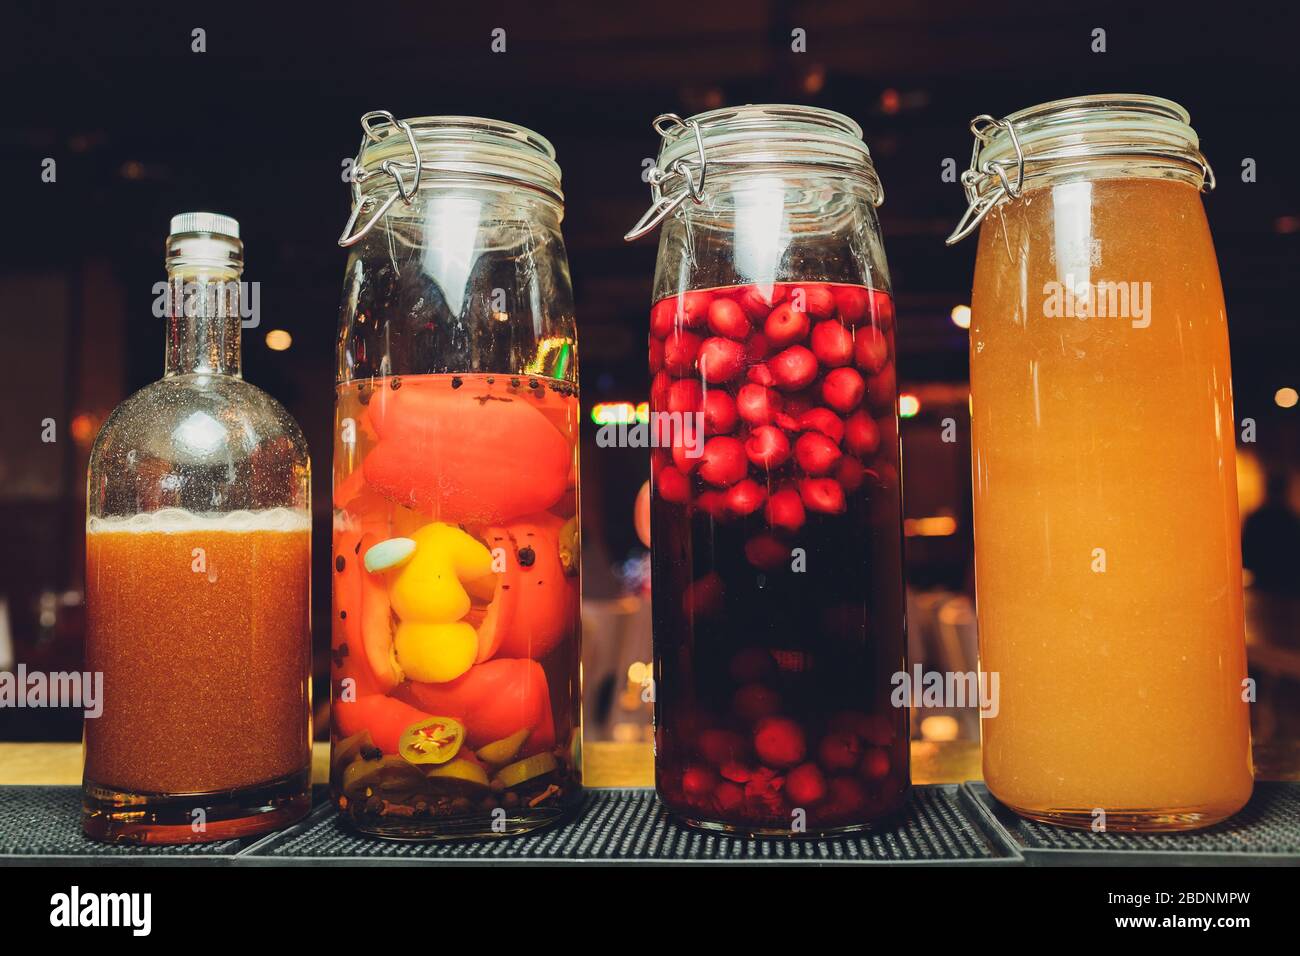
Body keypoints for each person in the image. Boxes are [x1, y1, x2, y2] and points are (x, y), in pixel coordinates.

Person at [1242, 471, 1300, 594]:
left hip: (1262, 582)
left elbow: (1245, 552)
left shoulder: (1256, 519)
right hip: (1286, 583)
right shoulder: (1291, 520)